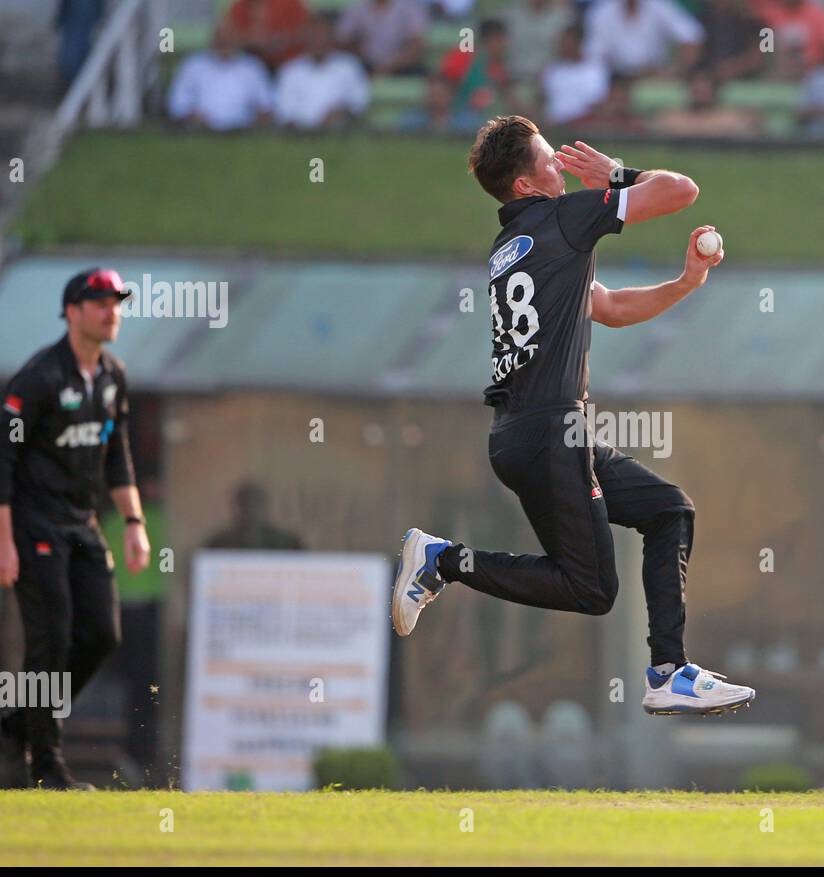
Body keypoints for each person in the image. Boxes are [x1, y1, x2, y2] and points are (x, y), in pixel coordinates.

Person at [391, 116, 756, 717]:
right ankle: (444, 559)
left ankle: (670, 671)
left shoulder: (515, 247)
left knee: (669, 510)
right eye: (546, 159)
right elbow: (681, 190)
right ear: (525, 186)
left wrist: (687, 284)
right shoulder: (564, 219)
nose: (559, 165)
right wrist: (616, 174)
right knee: (590, 589)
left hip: (537, 435)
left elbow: (608, 307)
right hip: (550, 432)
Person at [0, 268, 151, 790]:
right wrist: (2, 540)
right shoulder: (40, 377)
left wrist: (135, 523)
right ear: (72, 312)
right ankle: (46, 766)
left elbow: (115, 454)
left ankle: (13, 725)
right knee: (50, 638)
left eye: (117, 303)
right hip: (33, 526)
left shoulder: (113, 376)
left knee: (101, 633)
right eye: (100, 302)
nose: (111, 311)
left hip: (82, 522)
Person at [274, 15, 371, 129]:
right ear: (306, 39)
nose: (318, 41)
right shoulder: (289, 71)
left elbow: (358, 104)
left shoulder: (349, 66)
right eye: (314, 36)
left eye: (322, 36)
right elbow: (285, 114)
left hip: (338, 135)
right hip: (299, 136)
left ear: (331, 38)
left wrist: (341, 113)